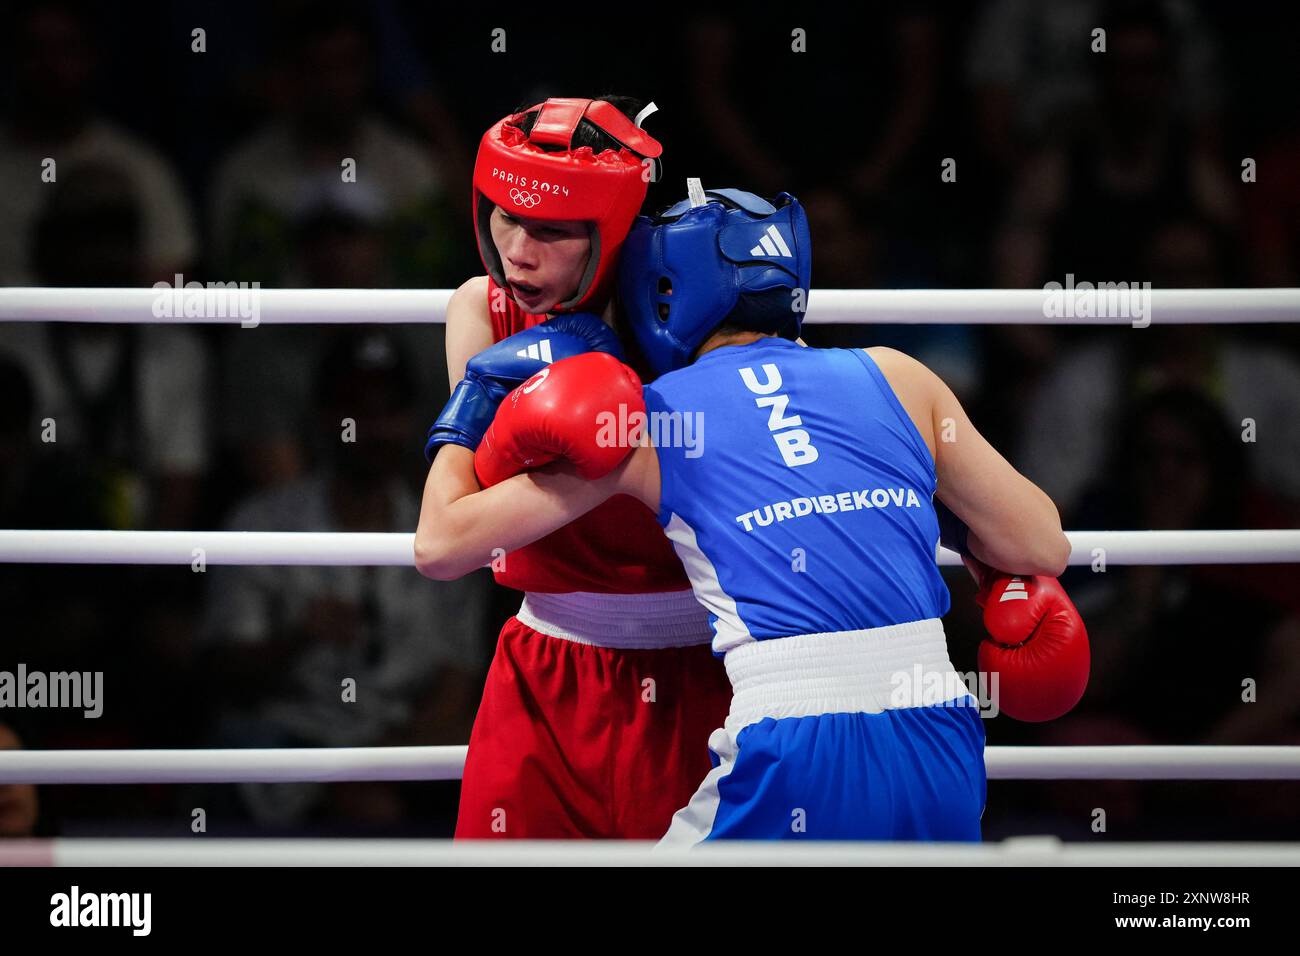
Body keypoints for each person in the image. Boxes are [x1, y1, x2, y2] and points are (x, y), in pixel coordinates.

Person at [417, 183, 1088, 841]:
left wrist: (472, 402)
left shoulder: (652, 419)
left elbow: (442, 546)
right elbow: (1040, 544)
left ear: (660, 294)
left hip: (791, 740)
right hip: (941, 729)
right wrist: (974, 558)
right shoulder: (899, 374)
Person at [418, 98, 733, 839]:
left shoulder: (710, 316)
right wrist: (480, 396)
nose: (517, 253)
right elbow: (456, 526)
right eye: (504, 217)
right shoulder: (482, 309)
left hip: (705, 672)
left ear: (617, 231)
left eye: (552, 230)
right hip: (545, 671)